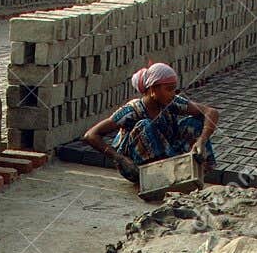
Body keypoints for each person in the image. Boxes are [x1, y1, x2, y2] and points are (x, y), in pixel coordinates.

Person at [84, 63, 219, 184]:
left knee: (194, 123)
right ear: (153, 89)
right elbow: (90, 135)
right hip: (135, 167)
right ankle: (164, 178)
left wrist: (201, 141)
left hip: (167, 156)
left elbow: (211, 112)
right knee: (145, 125)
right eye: (169, 89)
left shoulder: (171, 102)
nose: (173, 94)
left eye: (174, 89)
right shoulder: (132, 110)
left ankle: (192, 172)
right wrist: (120, 159)